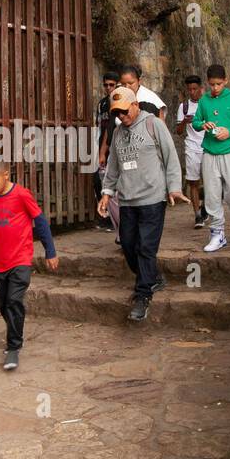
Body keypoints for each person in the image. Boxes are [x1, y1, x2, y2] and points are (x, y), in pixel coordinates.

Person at [98, 87, 189, 321]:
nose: (122, 117)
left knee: (146, 247)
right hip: (128, 200)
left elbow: (170, 157)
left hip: (152, 198)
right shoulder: (118, 133)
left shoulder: (153, 125)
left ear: (135, 105)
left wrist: (174, 188)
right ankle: (153, 278)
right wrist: (106, 194)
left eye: (125, 111)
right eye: (117, 113)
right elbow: (113, 167)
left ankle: (142, 296)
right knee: (128, 246)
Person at [0, 157, 59, 371]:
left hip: (21, 259)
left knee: (13, 300)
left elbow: (40, 222)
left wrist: (50, 251)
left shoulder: (21, 194)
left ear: (6, 175)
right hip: (0, 262)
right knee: (4, 305)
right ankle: (16, 328)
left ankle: (14, 346)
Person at [192, 64, 230, 252]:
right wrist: (203, 124)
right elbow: (195, 122)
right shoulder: (203, 101)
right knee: (211, 194)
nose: (215, 88)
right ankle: (217, 233)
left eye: (218, 84)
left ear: (226, 80)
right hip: (209, 151)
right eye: (212, 85)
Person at [175, 75, 207, 228]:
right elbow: (179, 131)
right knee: (193, 182)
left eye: (195, 89)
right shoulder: (184, 107)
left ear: (201, 89)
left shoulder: (207, 103)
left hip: (208, 146)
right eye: (190, 90)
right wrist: (184, 121)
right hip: (192, 147)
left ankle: (206, 207)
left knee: (211, 181)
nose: (192, 92)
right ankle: (197, 215)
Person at [92, 72, 119, 232]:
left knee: (112, 183)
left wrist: (105, 149)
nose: (108, 88)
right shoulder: (102, 104)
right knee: (98, 181)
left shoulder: (118, 102)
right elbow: (100, 127)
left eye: (112, 85)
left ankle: (113, 218)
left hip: (114, 147)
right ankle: (107, 215)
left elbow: (111, 129)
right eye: (106, 85)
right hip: (103, 147)